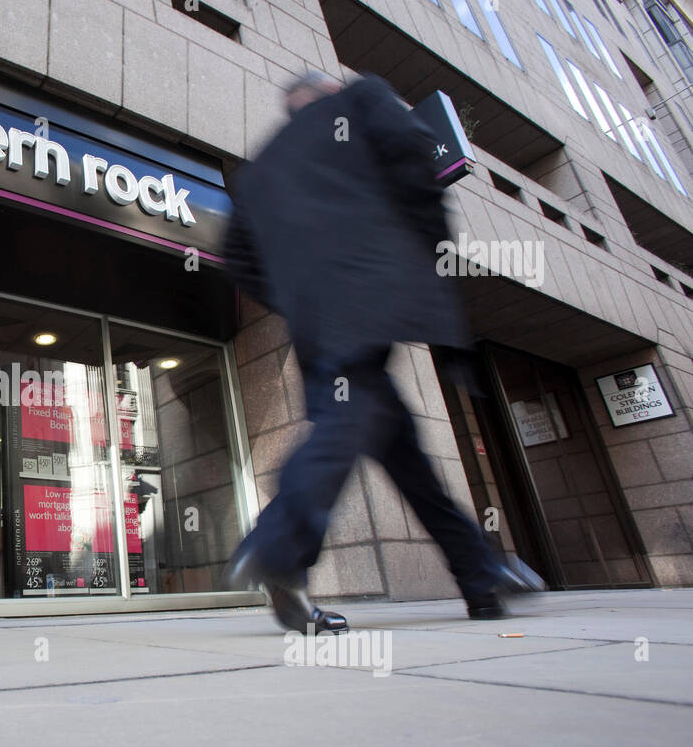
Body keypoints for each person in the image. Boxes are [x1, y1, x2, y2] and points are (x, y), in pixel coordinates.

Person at [222, 70, 539, 633]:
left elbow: (236, 255)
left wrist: (296, 297)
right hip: (372, 289)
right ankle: (279, 544)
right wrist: (427, 256)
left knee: (403, 452)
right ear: (322, 94)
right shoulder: (364, 96)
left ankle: (478, 572)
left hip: (315, 315)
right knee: (347, 418)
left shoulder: (262, 169)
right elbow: (416, 165)